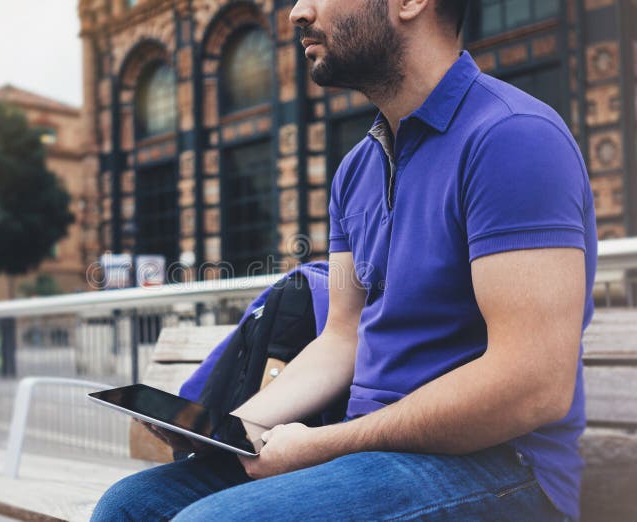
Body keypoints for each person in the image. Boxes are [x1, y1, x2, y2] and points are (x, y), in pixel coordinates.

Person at [92, 0, 595, 519]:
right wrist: (231, 430)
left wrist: (326, 444)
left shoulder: (513, 137)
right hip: (369, 451)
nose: (296, 12)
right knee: (132, 506)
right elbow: (342, 336)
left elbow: (535, 386)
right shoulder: (357, 168)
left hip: (502, 467)